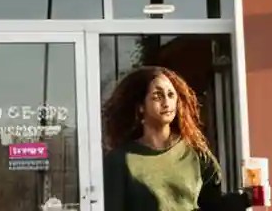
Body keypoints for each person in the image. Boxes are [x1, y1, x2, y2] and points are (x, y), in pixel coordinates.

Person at [101, 66, 251, 211]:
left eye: (171, 95)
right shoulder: (119, 161)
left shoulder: (196, 154)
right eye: (157, 96)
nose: (166, 103)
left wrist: (246, 198)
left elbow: (213, 205)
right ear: (141, 106)